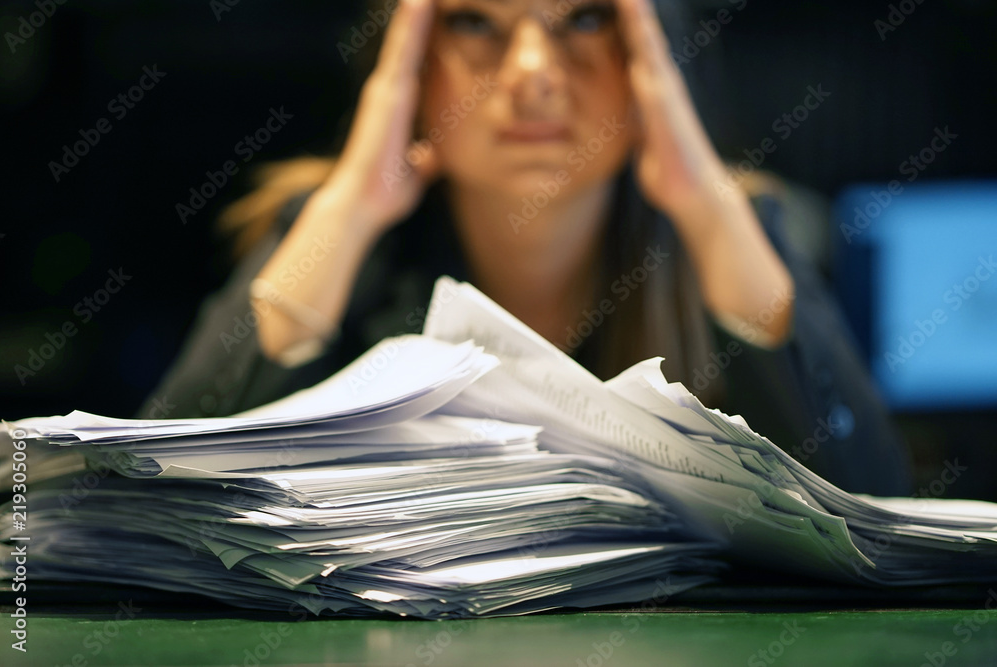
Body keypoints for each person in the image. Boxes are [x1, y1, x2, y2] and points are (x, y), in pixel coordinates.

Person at [138, 0, 913, 495]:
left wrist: (702, 199)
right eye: (474, 21)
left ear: (657, 55)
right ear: (403, 63)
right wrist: (349, 206)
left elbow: (880, 506)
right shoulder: (334, 230)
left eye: (584, 19)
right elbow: (144, 494)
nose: (534, 74)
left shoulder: (736, 230)